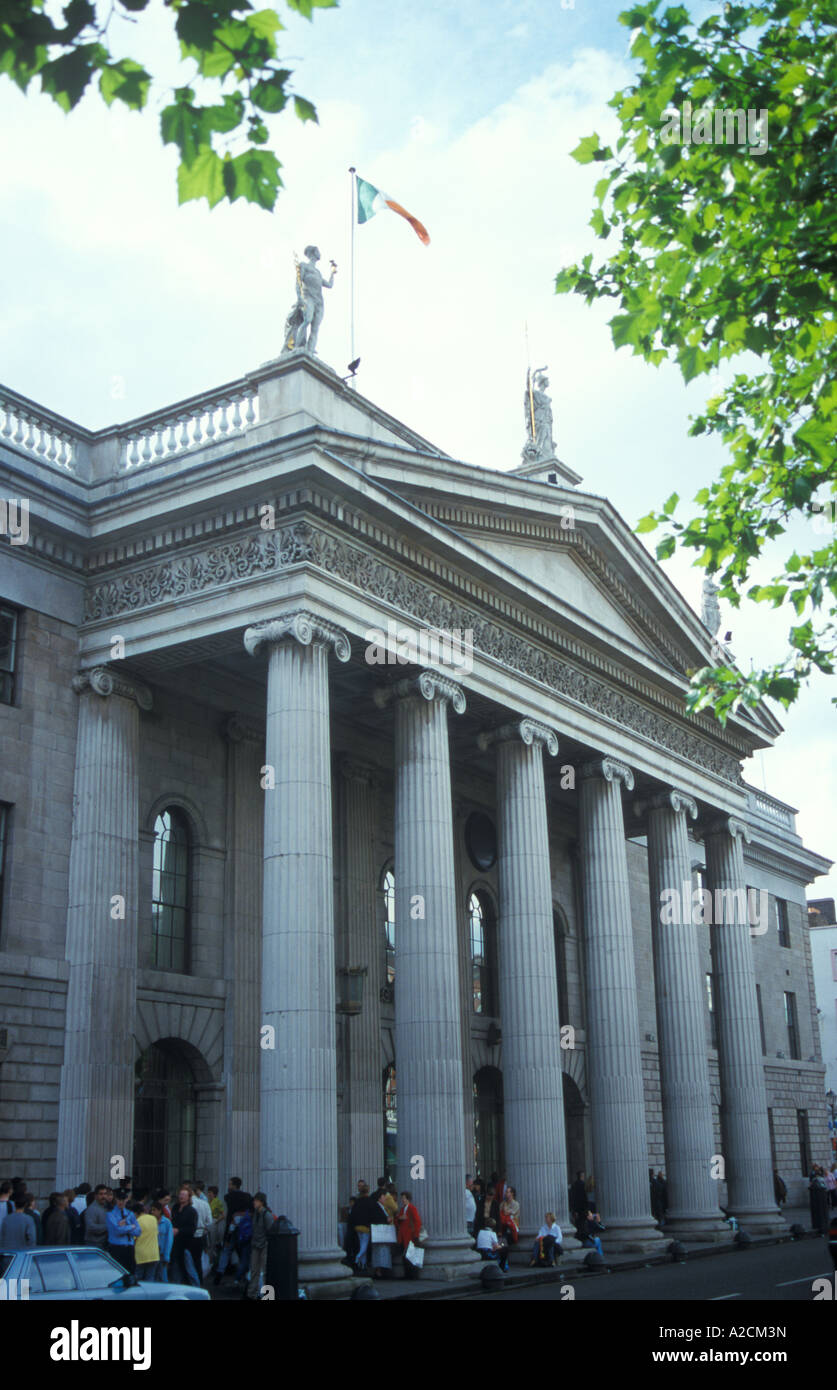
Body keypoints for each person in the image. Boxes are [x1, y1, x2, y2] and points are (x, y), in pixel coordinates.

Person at [245, 1192, 274, 1300]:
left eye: (256, 1201)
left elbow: (270, 1231)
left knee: (264, 1271)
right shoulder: (256, 1214)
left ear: (261, 1202)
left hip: (263, 1245)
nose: (254, 1203)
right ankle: (252, 1294)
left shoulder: (266, 1215)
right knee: (254, 1270)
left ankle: (267, 1295)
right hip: (256, 1244)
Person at [171, 1187, 202, 1286]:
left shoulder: (191, 1211)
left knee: (189, 1267)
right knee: (176, 1267)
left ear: (189, 1197)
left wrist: (179, 1230)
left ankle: (197, 1287)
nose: (181, 1196)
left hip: (186, 1244)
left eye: (184, 1195)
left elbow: (192, 1229)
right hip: (175, 1244)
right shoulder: (175, 1208)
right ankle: (177, 1287)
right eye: (180, 1194)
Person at [106, 1190, 140, 1273]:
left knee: (131, 1273)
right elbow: (117, 1231)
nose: (121, 1202)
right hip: (117, 1248)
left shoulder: (130, 1214)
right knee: (117, 1273)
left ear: (126, 1200)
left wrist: (126, 1226)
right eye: (119, 1199)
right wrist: (131, 1227)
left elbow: (138, 1231)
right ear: (116, 1200)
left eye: (123, 1199)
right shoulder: (110, 1214)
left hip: (129, 1248)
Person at [347, 1180, 376, 1274]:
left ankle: (362, 1265)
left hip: (357, 1227)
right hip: (366, 1227)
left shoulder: (357, 1202)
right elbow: (372, 1214)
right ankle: (357, 1259)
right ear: (368, 1191)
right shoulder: (370, 1201)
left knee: (361, 1244)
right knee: (364, 1246)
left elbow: (353, 1214)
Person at [396, 1191, 422, 1279]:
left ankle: (412, 1275)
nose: (402, 1200)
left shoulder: (412, 1208)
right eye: (402, 1198)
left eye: (404, 1198)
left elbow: (417, 1222)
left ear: (408, 1199)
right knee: (406, 1256)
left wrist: (415, 1235)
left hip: (410, 1235)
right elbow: (397, 1220)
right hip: (404, 1235)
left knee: (411, 1256)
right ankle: (408, 1274)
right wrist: (400, 1218)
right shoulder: (403, 1209)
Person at [133, 1202, 160, 1281]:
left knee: (138, 1279)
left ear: (135, 1213)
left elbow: (133, 1239)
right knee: (150, 1278)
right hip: (154, 1254)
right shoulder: (153, 1219)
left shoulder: (137, 1221)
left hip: (141, 1255)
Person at [152, 1201, 173, 1283]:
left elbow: (169, 1240)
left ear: (160, 1211)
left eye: (154, 1210)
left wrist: (167, 1256)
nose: (152, 1212)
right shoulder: (151, 1221)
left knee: (163, 1277)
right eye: (152, 1210)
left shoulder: (167, 1222)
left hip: (162, 1254)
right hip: (153, 1254)